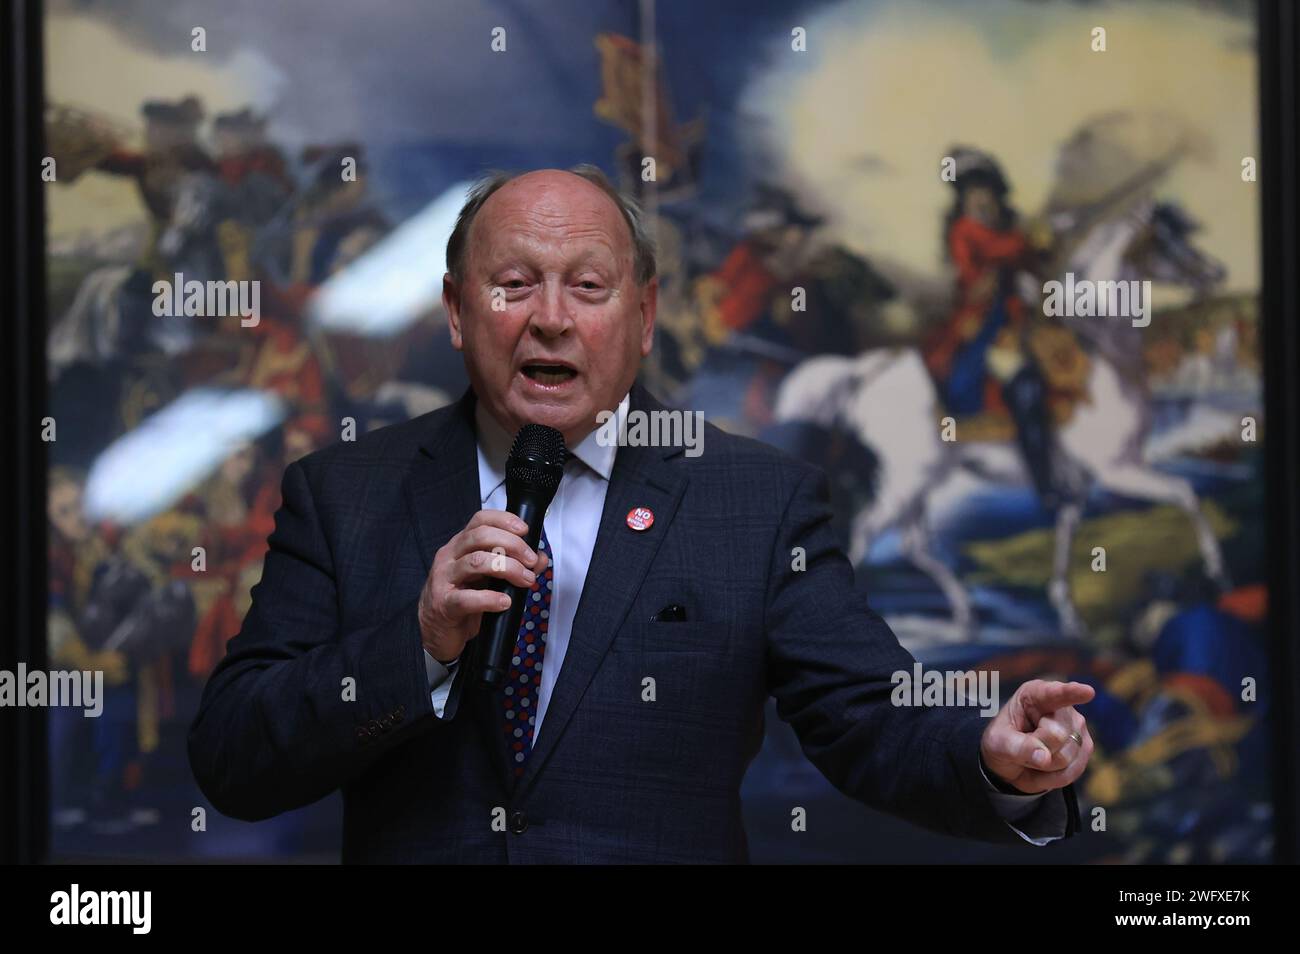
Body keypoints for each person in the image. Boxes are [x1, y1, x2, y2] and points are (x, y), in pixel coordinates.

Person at [188, 165, 1094, 863]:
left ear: (647, 313)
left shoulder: (753, 500)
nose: (549, 319)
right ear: (457, 313)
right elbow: (234, 756)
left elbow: (873, 716)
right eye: (512, 284)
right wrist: (419, 641)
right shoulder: (345, 492)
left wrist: (989, 752)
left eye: (588, 286)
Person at [924, 148, 1061, 509]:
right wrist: (1029, 242)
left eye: (984, 190)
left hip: (1020, 322)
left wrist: (1044, 249)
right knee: (1026, 386)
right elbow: (989, 265)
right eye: (971, 193)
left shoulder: (1010, 234)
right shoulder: (966, 232)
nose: (980, 199)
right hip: (984, 331)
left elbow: (1032, 263)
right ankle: (1046, 483)